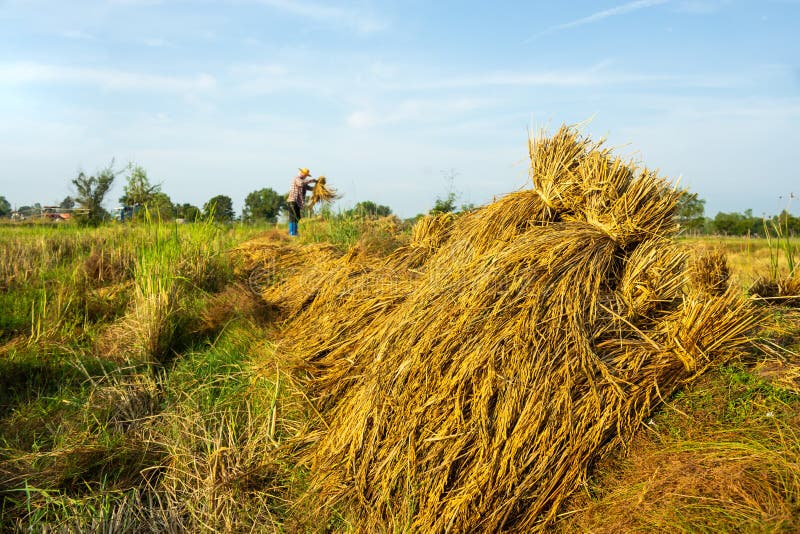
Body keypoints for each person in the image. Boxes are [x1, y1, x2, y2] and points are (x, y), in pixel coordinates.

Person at [287, 167, 317, 236]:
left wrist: (318, 187)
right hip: (292, 201)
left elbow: (310, 188)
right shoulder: (297, 179)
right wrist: (311, 180)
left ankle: (295, 232)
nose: (306, 176)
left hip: (298, 202)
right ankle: (292, 233)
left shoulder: (304, 182)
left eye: (306, 175)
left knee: (297, 217)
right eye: (305, 175)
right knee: (293, 217)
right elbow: (301, 183)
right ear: (302, 173)